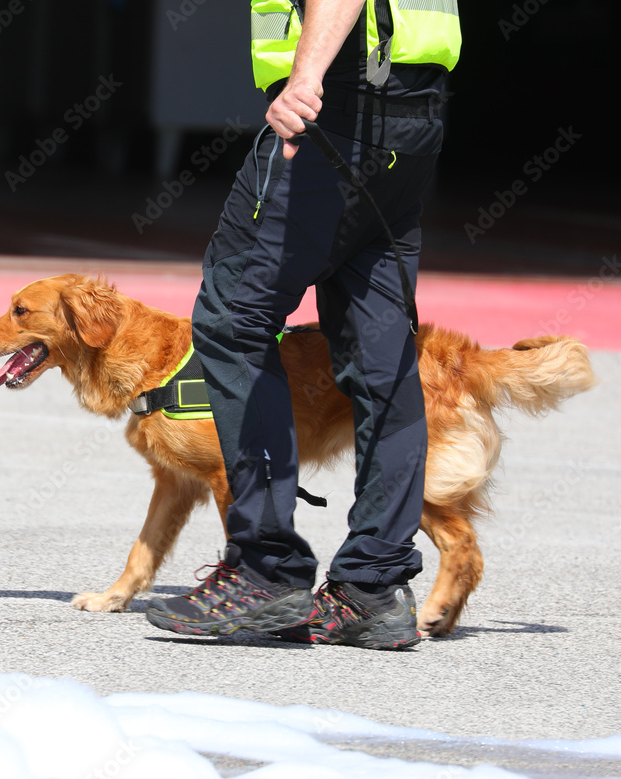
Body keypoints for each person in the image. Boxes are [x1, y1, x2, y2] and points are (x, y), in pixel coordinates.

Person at [145, 0, 461, 649]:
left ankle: (266, 570)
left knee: (235, 317)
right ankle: (373, 586)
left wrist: (307, 73)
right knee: (381, 348)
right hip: (411, 111)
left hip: (335, 109)